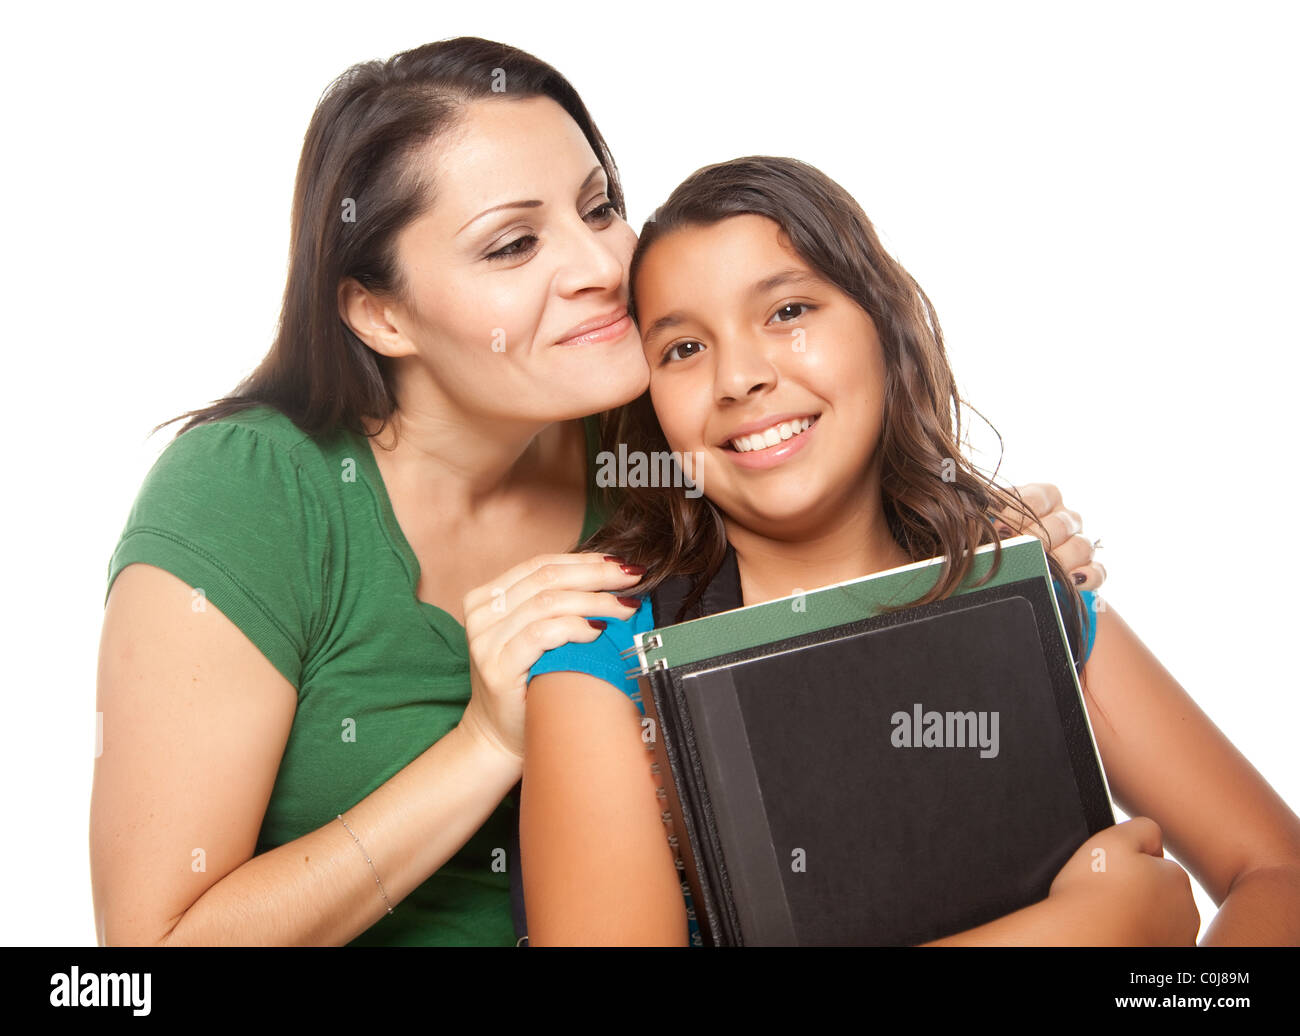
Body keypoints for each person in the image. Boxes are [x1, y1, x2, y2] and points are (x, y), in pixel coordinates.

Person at [92, 39, 1102, 947]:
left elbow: (842, 540)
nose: (599, 268)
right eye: (511, 245)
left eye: (596, 207)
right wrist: (484, 744)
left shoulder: (650, 430)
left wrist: (982, 543)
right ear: (378, 311)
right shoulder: (252, 491)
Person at [521, 156, 1300, 947]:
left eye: (788, 310)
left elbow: (1276, 872)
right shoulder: (600, 668)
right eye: (683, 349)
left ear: (883, 329)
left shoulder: (1028, 595)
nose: (742, 377)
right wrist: (1080, 933)